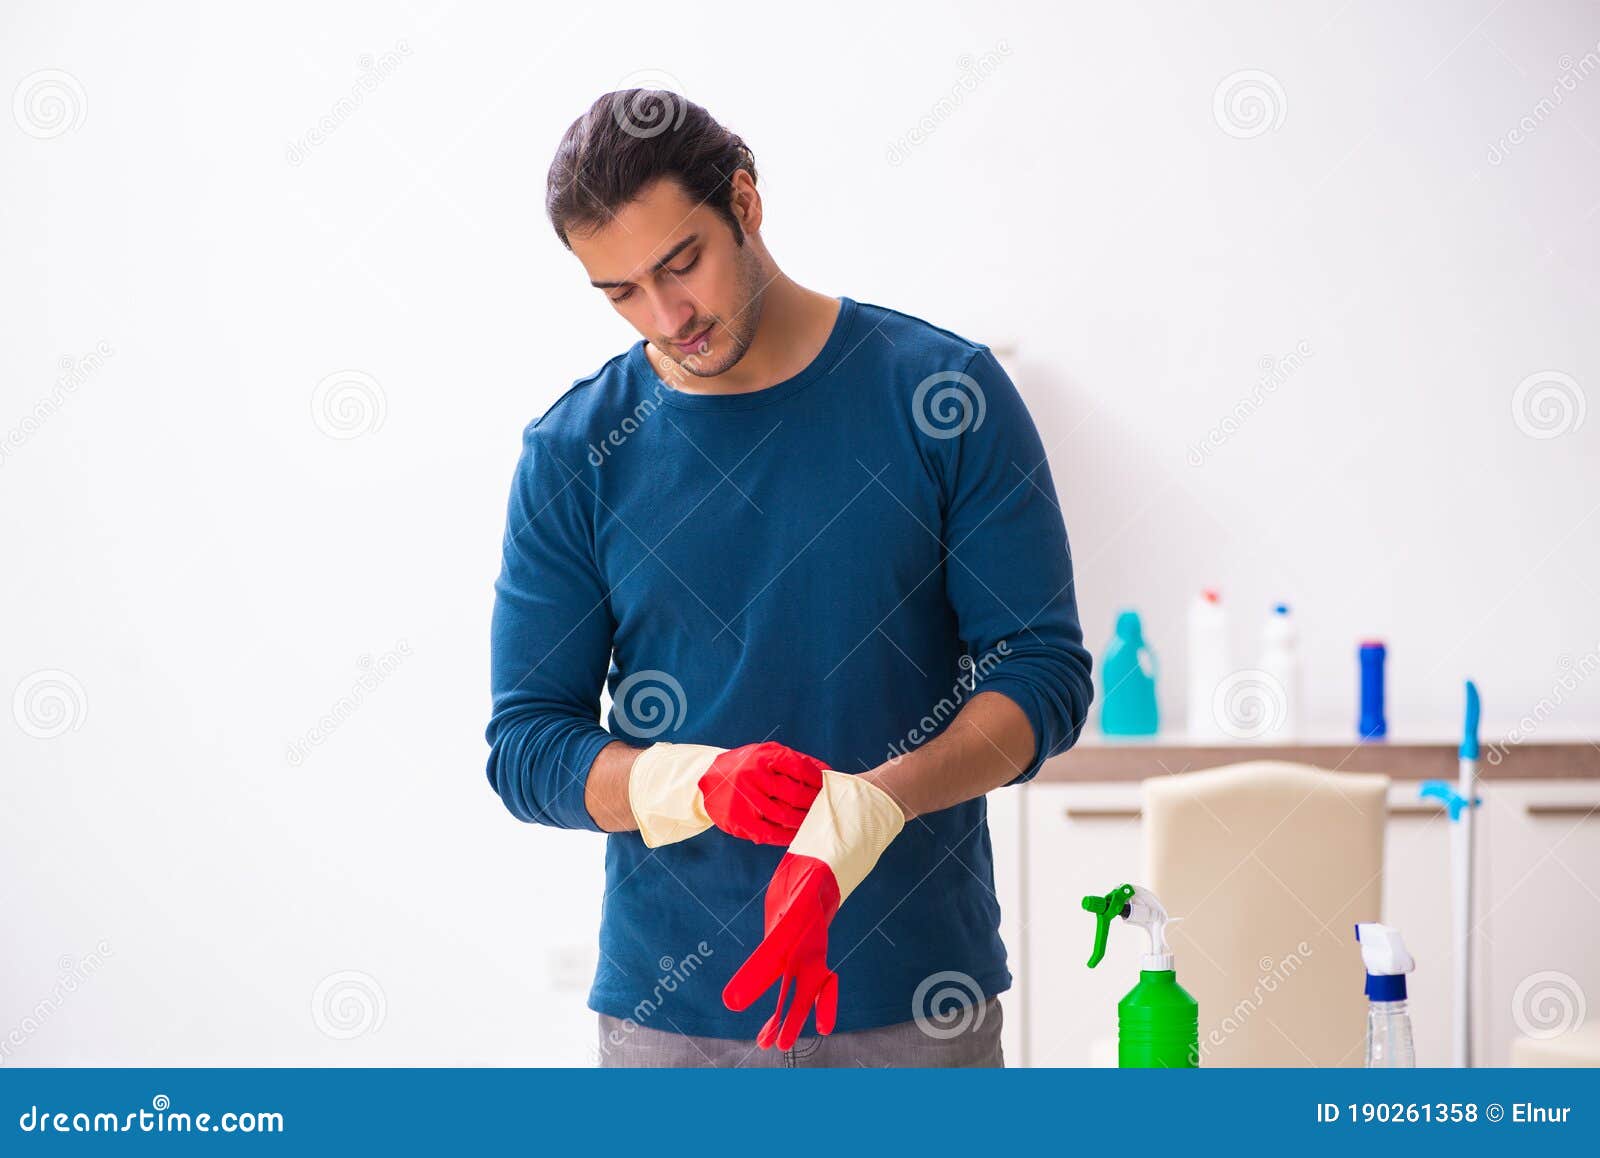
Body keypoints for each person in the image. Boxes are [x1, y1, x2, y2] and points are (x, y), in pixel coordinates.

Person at [484, 89, 1092, 1067]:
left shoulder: (942, 396)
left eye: (681, 263)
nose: (666, 315)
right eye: (622, 292)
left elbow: (1041, 675)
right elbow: (527, 745)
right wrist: (695, 781)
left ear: (745, 203)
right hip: (670, 1024)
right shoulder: (577, 450)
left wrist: (872, 805)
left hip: (916, 1005)